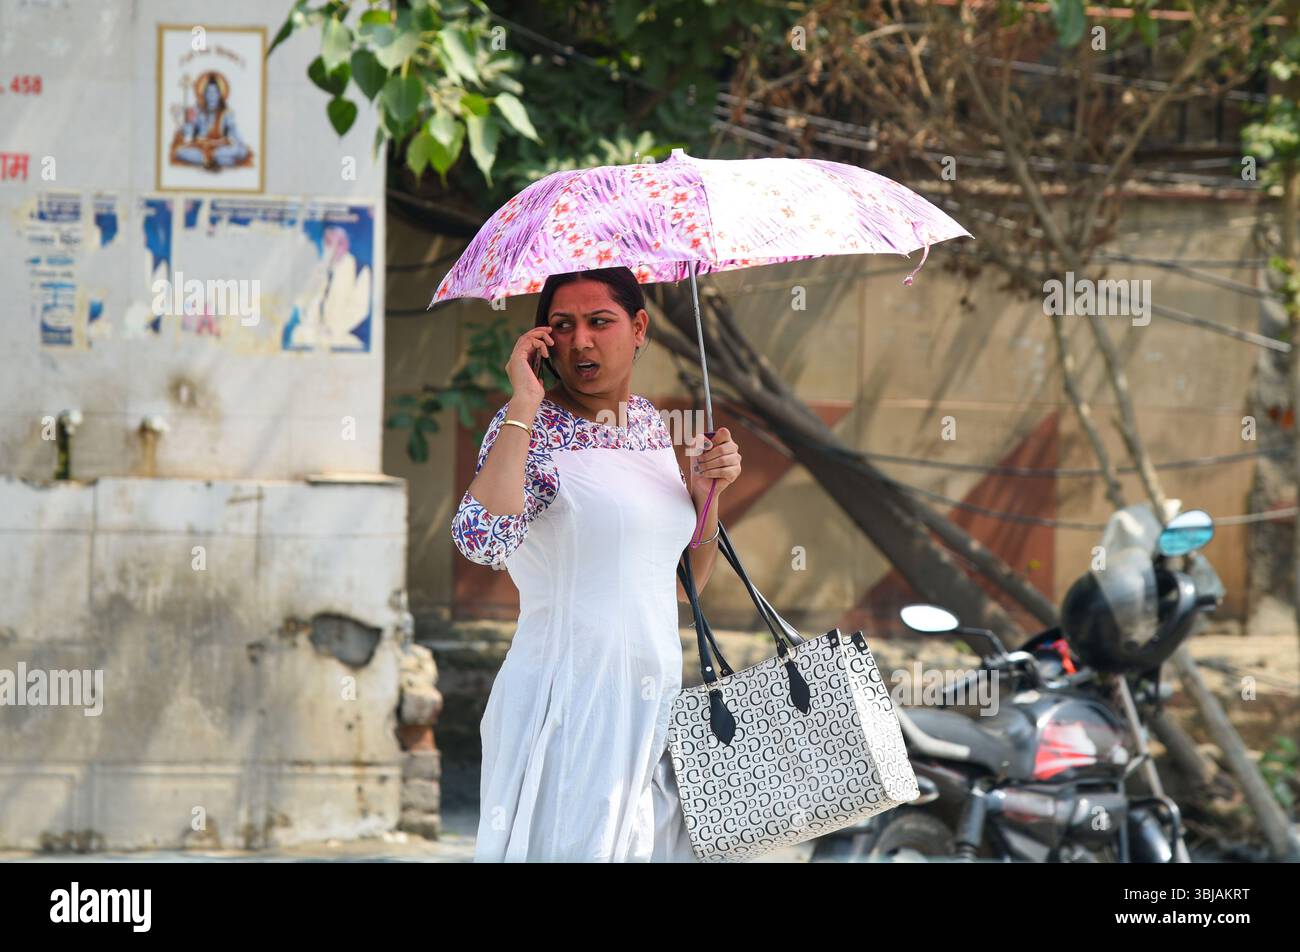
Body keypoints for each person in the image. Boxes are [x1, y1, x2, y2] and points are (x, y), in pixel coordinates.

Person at [451, 265, 742, 862]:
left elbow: (684, 586)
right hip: (569, 698)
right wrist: (523, 403)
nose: (580, 340)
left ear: (638, 328)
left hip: (654, 700)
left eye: (599, 322)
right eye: (562, 325)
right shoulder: (529, 427)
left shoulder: (648, 426)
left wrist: (709, 495)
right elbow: (482, 542)